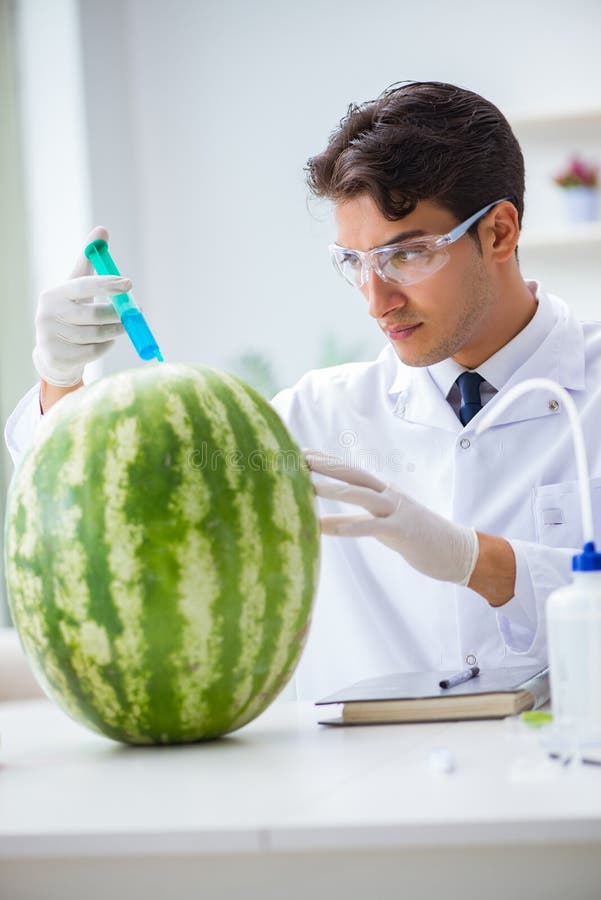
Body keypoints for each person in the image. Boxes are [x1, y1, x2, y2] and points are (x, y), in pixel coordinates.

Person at [5, 81, 601, 700]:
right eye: (355, 263)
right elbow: (111, 508)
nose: (377, 300)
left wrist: (478, 561)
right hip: (371, 788)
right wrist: (59, 380)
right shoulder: (315, 419)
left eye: (407, 256)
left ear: (500, 232)